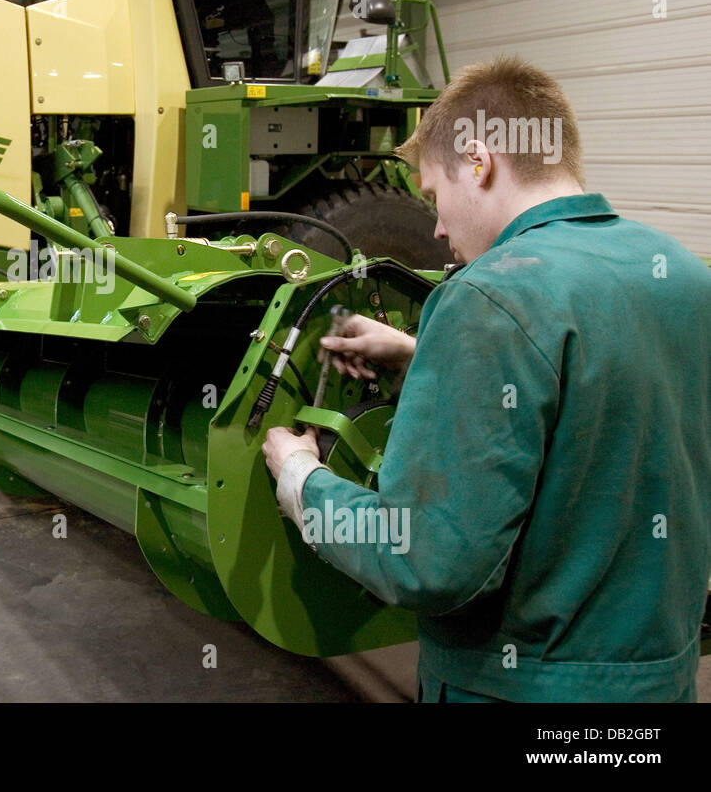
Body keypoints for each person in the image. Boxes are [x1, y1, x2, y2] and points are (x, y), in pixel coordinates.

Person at [262, 56, 711, 702]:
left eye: (433, 197)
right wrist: (426, 355)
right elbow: (605, 397)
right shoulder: (681, 272)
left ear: (479, 162)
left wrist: (304, 484)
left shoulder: (489, 297)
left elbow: (424, 558)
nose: (438, 227)